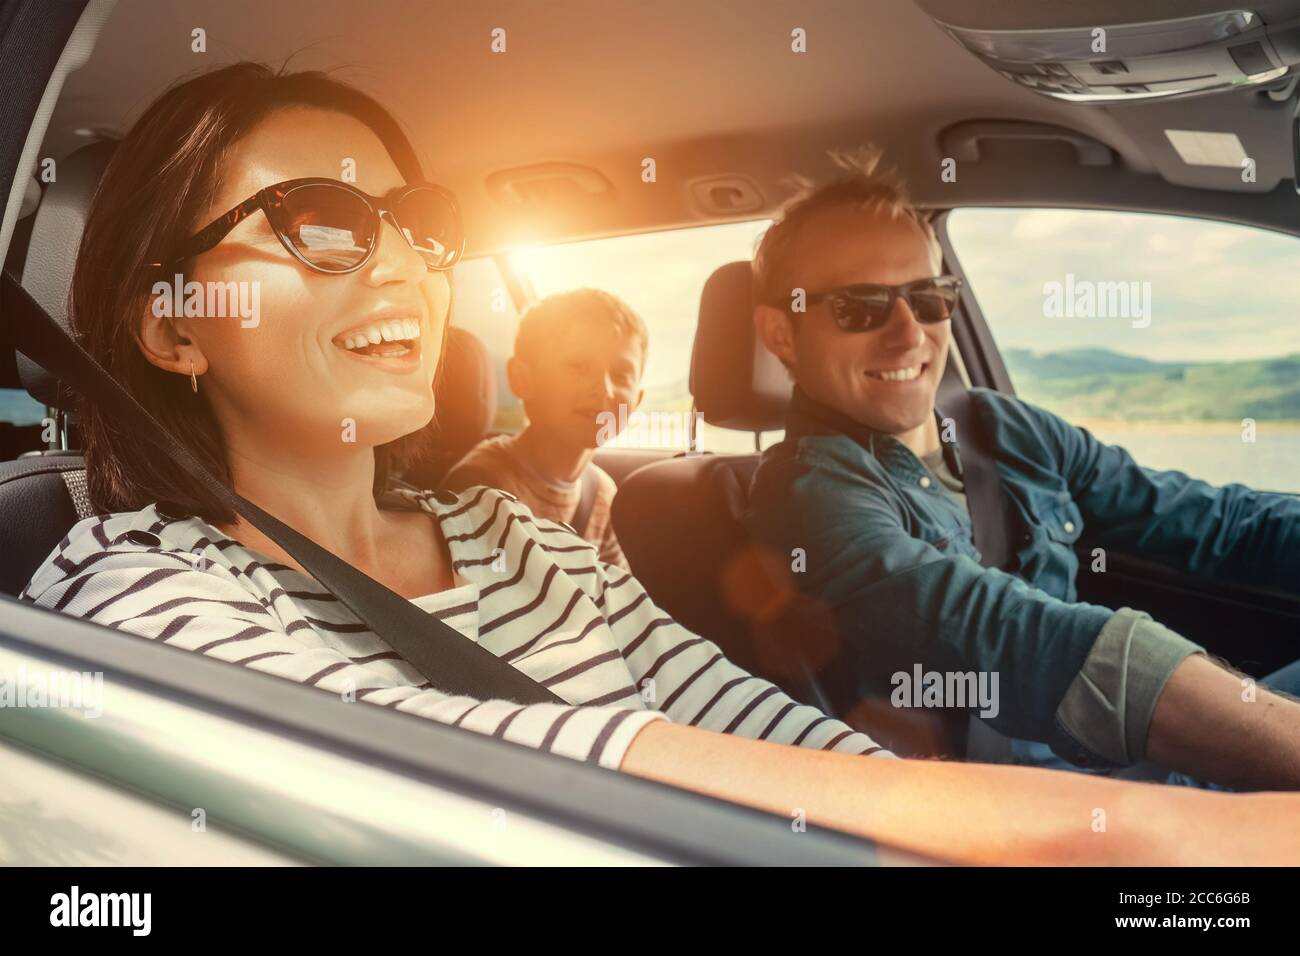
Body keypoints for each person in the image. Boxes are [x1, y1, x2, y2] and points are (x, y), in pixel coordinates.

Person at [20, 63, 1300, 865]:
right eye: (323, 221)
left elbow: (750, 726)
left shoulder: (516, 538)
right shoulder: (133, 592)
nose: (408, 264)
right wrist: (1144, 837)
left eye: (418, 223)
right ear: (176, 319)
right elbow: (496, 759)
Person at [744, 145, 1300, 790]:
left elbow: (1213, 522)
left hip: (1122, 766)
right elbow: (1011, 637)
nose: (908, 333)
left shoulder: (999, 428)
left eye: (928, 298)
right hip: (1040, 814)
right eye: (859, 307)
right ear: (782, 334)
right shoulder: (807, 495)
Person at [443, 288, 646, 567]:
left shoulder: (601, 491)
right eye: (579, 366)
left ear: (637, 400)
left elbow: (616, 598)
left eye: (622, 374)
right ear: (522, 379)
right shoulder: (481, 487)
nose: (604, 389)